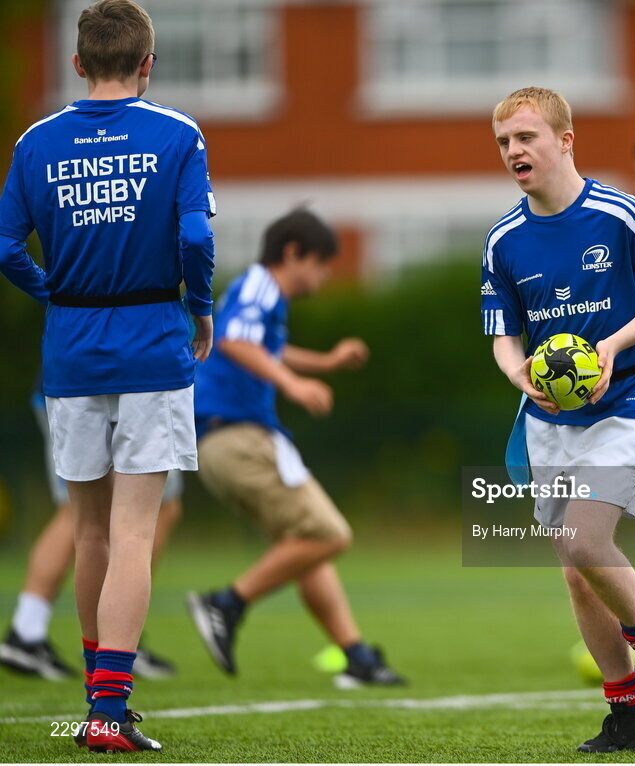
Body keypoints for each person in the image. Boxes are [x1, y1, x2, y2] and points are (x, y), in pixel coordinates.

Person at [0, 0, 215, 752]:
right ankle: (110, 711)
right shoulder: (177, 135)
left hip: (71, 350)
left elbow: (4, 247)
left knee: (90, 529)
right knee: (133, 531)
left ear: (78, 62)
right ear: (148, 64)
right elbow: (193, 235)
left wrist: (52, 290)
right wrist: (204, 311)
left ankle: (97, 698)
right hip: (154, 345)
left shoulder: (36, 141)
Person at [482, 87, 635, 753]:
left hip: (625, 404)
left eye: (526, 137)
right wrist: (517, 373)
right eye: (505, 142)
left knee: (582, 541)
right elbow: (503, 335)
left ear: (565, 140)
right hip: (548, 420)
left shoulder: (622, 214)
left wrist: (610, 345)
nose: (514, 150)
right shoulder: (504, 240)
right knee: (576, 570)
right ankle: (629, 712)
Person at [187, 208, 405, 689]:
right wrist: (293, 385)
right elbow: (235, 342)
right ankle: (225, 604)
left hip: (226, 440)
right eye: (322, 264)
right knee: (329, 534)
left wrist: (324, 362)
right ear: (293, 253)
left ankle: (355, 654)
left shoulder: (259, 297)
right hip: (240, 437)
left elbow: (264, 346)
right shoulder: (261, 284)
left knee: (306, 546)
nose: (325, 276)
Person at [0, 390, 181, 682]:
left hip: (69, 374)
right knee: (102, 522)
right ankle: (111, 642)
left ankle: (36, 630)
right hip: (138, 376)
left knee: (89, 521)